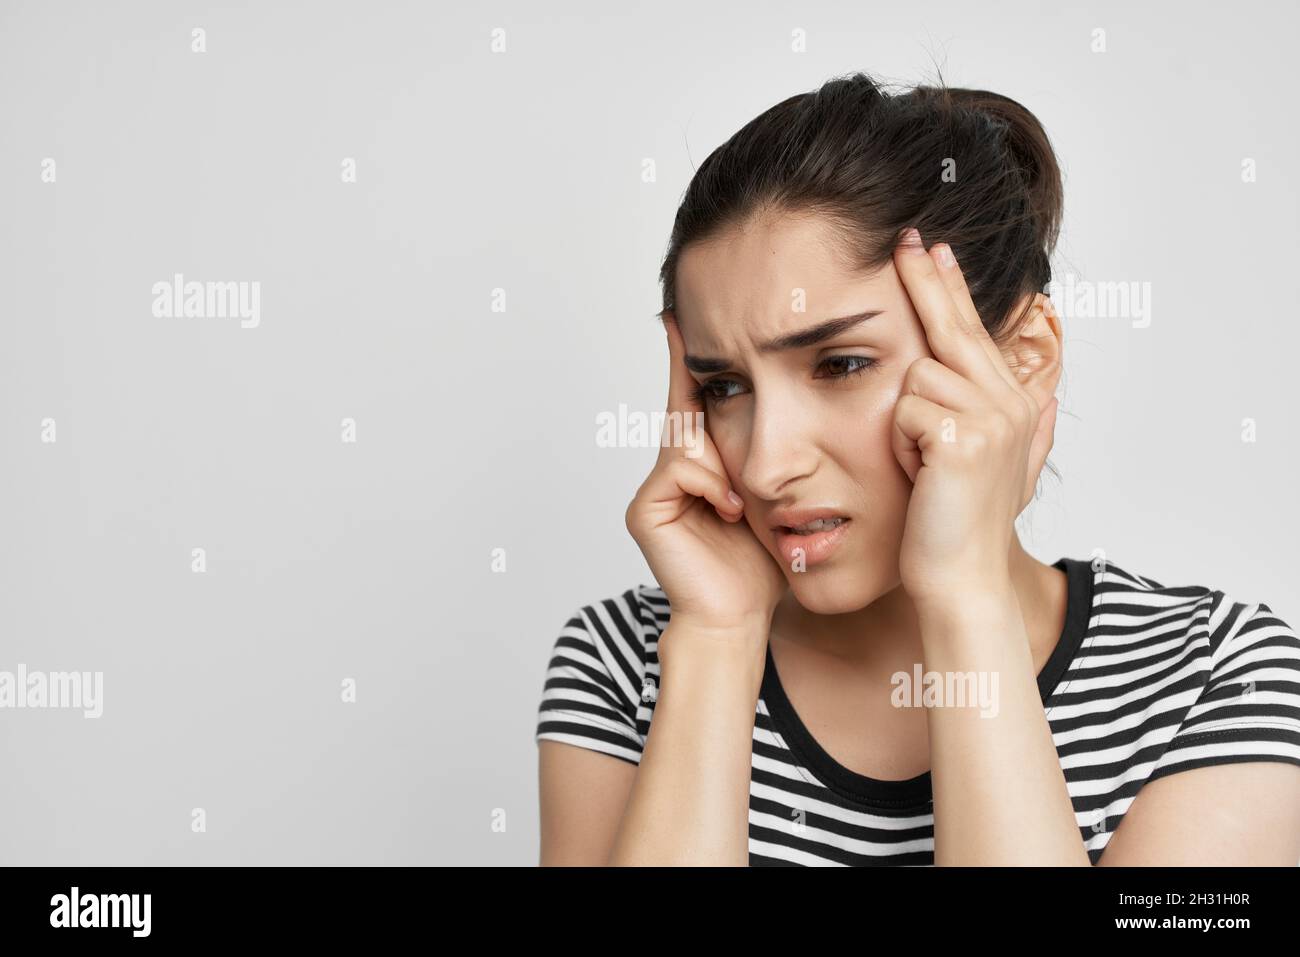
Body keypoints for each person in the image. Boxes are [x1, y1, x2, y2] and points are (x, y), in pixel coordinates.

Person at [535, 72, 1300, 866]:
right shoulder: (624, 662)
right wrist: (718, 642)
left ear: (1025, 359)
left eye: (840, 364)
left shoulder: (1216, 679)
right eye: (724, 386)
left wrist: (967, 598)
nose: (765, 464)